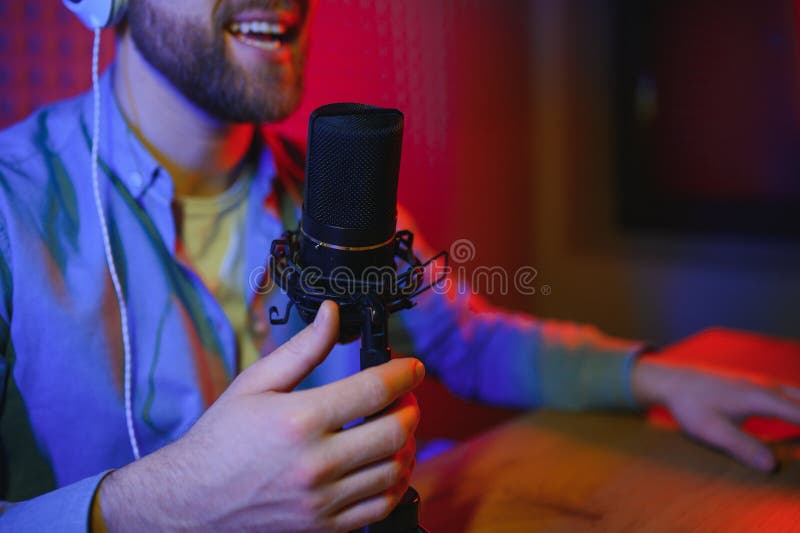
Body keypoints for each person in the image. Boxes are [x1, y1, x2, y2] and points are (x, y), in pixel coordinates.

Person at [0, 0, 798, 531]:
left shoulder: (336, 197)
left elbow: (471, 340)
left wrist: (654, 376)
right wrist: (162, 505)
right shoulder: (11, 210)